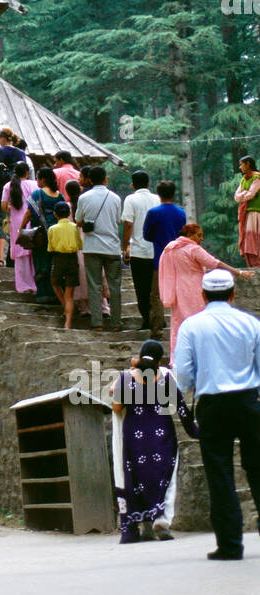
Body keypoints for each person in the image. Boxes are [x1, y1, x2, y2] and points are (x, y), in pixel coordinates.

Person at [174, 269, 260, 559]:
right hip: (249, 402)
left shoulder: (191, 326)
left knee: (220, 473)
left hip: (212, 404)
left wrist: (192, 386)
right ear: (233, 293)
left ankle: (230, 545)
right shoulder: (251, 323)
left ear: (203, 295)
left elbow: (183, 373)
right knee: (258, 468)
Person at [110, 339, 199, 543]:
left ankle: (144, 524)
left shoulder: (125, 378)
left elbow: (116, 408)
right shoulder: (166, 377)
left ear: (139, 357)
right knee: (165, 479)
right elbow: (182, 410)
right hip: (162, 438)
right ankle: (162, 522)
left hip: (134, 440)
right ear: (160, 361)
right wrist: (195, 432)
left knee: (138, 481)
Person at [158, 224, 250, 356]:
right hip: (195, 290)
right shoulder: (192, 249)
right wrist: (239, 272)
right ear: (190, 235)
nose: (201, 239)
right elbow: (215, 263)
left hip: (178, 291)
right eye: (199, 235)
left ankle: (179, 356)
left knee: (179, 323)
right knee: (199, 321)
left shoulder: (171, 248)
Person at [75, 166, 123, 330]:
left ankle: (97, 323)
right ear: (105, 178)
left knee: (94, 285)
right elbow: (118, 221)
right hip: (112, 247)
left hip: (91, 246)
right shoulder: (116, 198)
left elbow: (78, 221)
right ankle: (116, 322)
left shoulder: (83, 198)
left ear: (89, 180)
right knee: (114, 285)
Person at [143, 181, 186, 339]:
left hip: (160, 258)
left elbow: (146, 235)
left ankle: (157, 329)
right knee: (180, 293)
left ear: (158, 194)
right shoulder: (181, 213)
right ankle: (181, 327)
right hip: (179, 258)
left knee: (156, 295)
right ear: (173, 194)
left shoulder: (153, 212)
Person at [121, 170, 159, 332]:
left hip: (138, 250)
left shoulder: (131, 199)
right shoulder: (157, 198)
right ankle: (157, 318)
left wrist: (125, 247)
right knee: (155, 288)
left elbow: (128, 224)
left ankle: (146, 319)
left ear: (132, 185)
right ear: (149, 184)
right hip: (156, 250)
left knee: (141, 288)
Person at [19, 166, 62, 304]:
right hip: (56, 235)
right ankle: (55, 294)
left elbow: (28, 213)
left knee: (40, 262)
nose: (36, 180)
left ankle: (43, 294)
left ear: (43, 179)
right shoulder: (59, 195)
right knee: (52, 263)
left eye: (37, 177)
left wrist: (21, 228)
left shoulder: (38, 194)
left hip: (40, 236)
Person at [0, 128, 24, 266]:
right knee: (16, 223)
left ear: (2, 138)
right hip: (16, 192)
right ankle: (15, 257)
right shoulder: (21, 153)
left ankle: (0, 259)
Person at [1, 162, 37, 294]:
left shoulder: (8, 186)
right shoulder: (34, 185)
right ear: (27, 173)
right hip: (31, 221)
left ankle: (22, 285)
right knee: (32, 252)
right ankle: (34, 284)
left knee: (20, 253)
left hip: (16, 221)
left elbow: (3, 206)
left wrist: (12, 207)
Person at [48, 200, 82, 329]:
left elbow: (50, 247)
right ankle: (68, 322)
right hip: (72, 259)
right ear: (69, 214)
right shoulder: (74, 227)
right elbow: (79, 245)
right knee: (69, 294)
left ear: (55, 215)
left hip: (58, 259)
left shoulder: (52, 229)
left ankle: (65, 308)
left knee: (55, 283)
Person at [234, 156, 260, 267]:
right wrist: (245, 193)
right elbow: (236, 197)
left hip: (256, 213)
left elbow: (251, 194)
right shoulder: (244, 179)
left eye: (241, 164)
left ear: (248, 164)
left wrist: (244, 194)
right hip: (247, 213)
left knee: (254, 238)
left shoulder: (256, 178)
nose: (240, 167)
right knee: (248, 239)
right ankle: (252, 265)